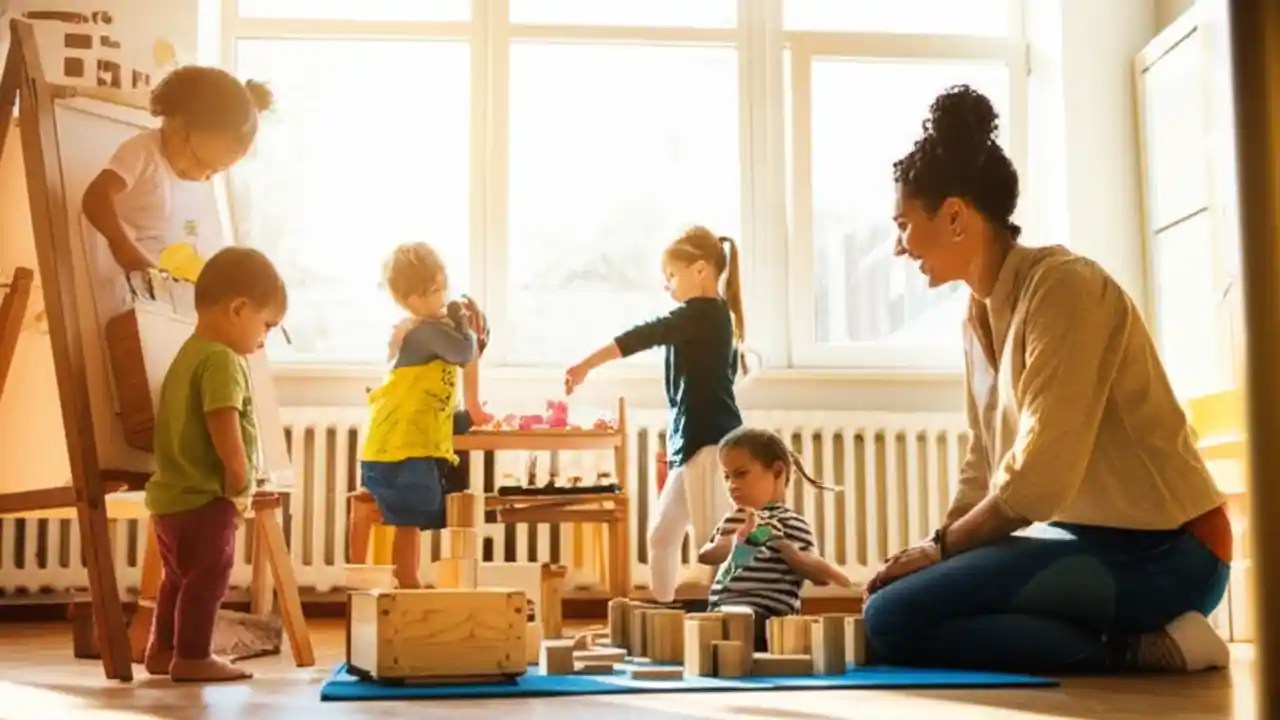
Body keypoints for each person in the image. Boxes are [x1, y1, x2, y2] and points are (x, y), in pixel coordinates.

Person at [861, 85, 1231, 673]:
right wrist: (937, 551)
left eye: (904, 224)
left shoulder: (1064, 289)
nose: (900, 246)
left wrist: (941, 550)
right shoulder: (976, 313)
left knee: (891, 620)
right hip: (1087, 542)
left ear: (954, 216)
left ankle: (1152, 648)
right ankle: (1127, 637)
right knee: (892, 604)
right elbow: (984, 462)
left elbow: (1038, 481)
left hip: (1170, 553)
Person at [564, 226, 746, 603]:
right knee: (663, 535)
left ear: (701, 270)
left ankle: (733, 617)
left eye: (672, 276)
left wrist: (585, 364)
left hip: (709, 444)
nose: (668, 285)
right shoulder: (706, 318)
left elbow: (643, 335)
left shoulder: (706, 314)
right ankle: (664, 613)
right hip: (693, 443)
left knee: (712, 539)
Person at [144, 247, 287, 682]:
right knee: (210, 575)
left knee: (177, 579)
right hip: (206, 497)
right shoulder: (224, 359)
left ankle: (162, 649)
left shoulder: (188, 353)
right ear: (239, 309)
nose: (263, 339)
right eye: (266, 325)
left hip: (170, 500)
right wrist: (238, 476)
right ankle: (192, 656)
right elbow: (222, 417)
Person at [359, 243, 478, 589]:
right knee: (411, 516)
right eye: (433, 292)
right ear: (410, 299)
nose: (442, 297)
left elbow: (431, 399)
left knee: (412, 518)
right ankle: (408, 583)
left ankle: (408, 581)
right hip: (398, 447)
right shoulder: (425, 332)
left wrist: (467, 417)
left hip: (405, 443)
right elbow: (464, 351)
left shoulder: (425, 332)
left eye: (443, 287)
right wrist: (463, 321)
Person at [83, 65, 273, 275]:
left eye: (213, 171)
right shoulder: (143, 153)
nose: (202, 175)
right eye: (198, 162)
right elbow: (96, 197)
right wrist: (124, 248)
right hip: (136, 289)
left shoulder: (202, 181)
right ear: (179, 126)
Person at [699, 427, 853, 648]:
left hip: (765, 619)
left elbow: (821, 576)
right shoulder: (733, 520)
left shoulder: (790, 524)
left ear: (778, 472)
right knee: (698, 630)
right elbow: (707, 556)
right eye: (727, 476)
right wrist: (727, 542)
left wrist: (787, 550)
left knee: (742, 631)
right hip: (719, 612)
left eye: (741, 474)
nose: (731, 486)